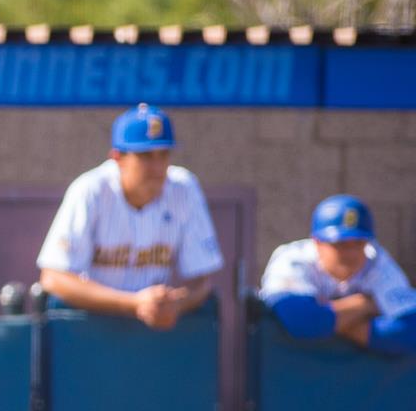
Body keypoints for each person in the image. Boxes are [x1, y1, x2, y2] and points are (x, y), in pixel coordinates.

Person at [37, 104, 224, 328]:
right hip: (90, 326)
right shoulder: (90, 190)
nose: (157, 166)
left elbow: (202, 281)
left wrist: (176, 304)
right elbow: (54, 278)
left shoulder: (184, 188)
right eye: (145, 156)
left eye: (163, 155)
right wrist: (133, 303)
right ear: (117, 158)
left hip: (154, 327)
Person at [259, 195, 416, 356]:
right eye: (340, 244)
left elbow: (410, 333)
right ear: (317, 242)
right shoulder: (293, 260)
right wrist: (364, 304)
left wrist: (329, 319)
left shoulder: (378, 262)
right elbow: (302, 322)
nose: (351, 252)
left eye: (358, 243)